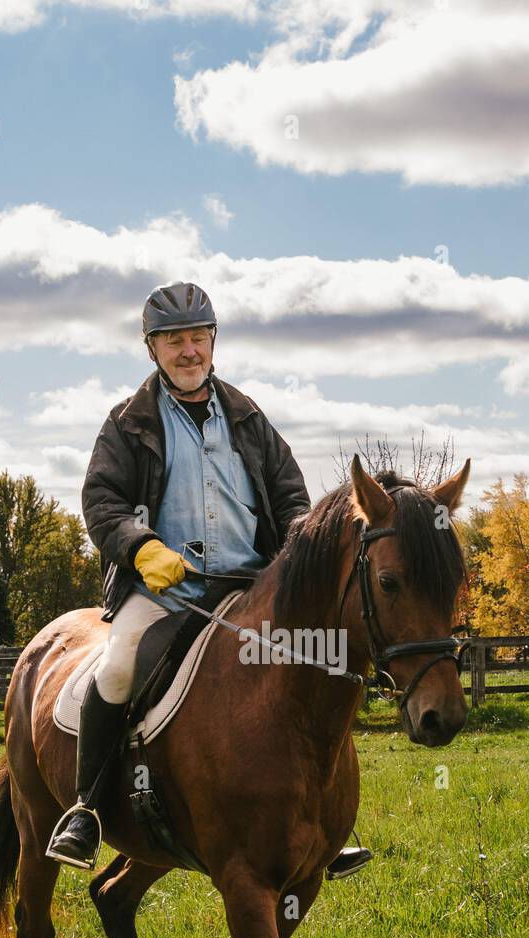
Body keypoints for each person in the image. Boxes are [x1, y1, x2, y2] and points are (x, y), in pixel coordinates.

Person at [46, 280, 372, 880]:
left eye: (198, 337)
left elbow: (291, 499)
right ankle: (87, 807)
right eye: (173, 340)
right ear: (152, 349)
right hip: (165, 592)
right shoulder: (128, 422)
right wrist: (140, 548)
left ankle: (328, 826)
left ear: (214, 342)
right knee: (117, 668)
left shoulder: (248, 417)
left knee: (320, 669)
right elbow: (100, 501)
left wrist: (302, 558)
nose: (188, 350)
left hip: (251, 587)